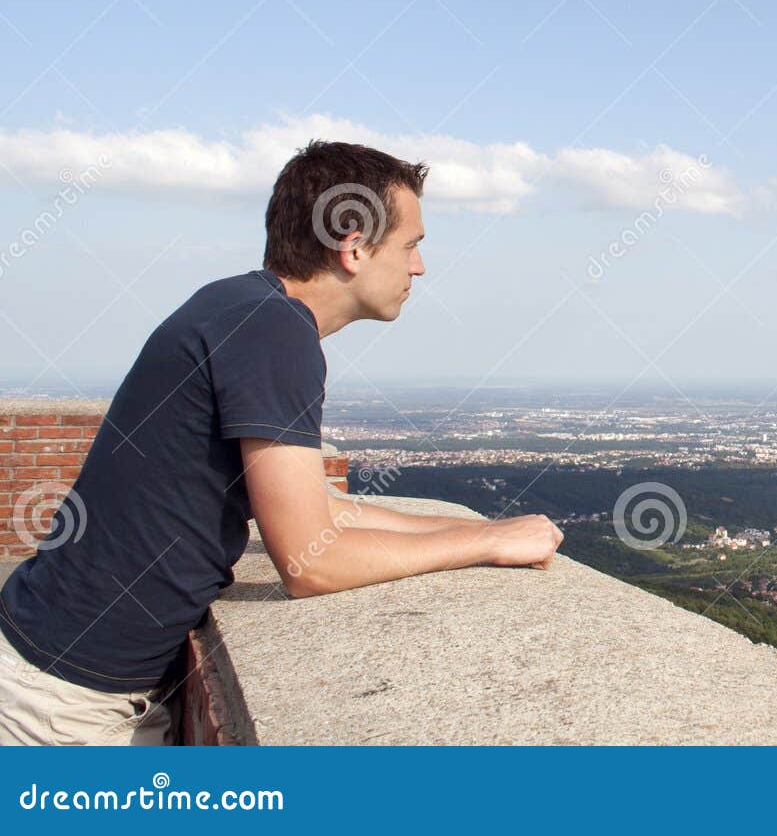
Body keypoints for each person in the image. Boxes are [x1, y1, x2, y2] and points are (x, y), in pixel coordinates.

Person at [0, 141, 564, 745]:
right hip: (65, 701)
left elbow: (322, 512)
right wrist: (484, 544)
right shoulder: (274, 332)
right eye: (410, 244)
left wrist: (481, 529)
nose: (419, 266)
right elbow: (309, 562)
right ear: (353, 247)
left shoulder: (239, 303)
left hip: (64, 668)